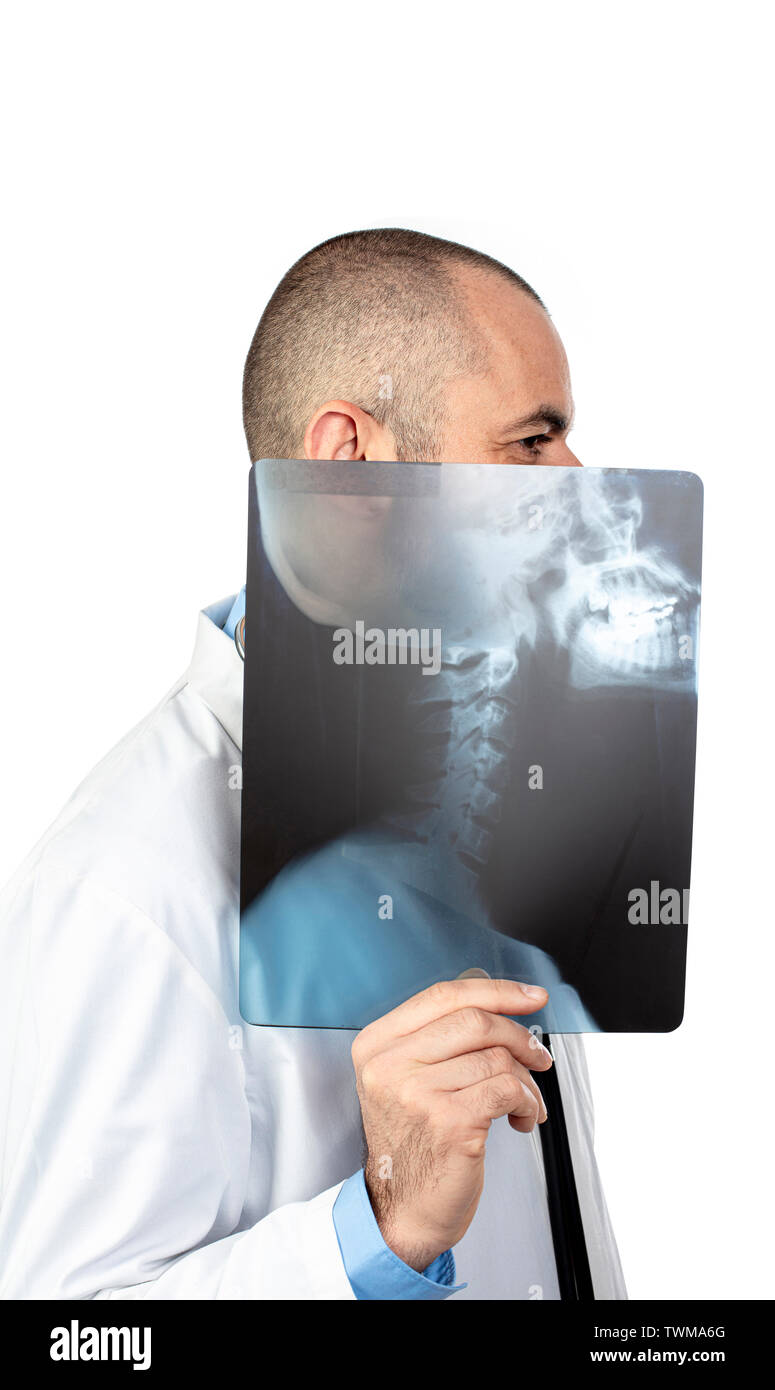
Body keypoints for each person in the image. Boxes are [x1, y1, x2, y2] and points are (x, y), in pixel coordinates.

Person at [0, 229, 625, 1299]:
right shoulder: (130, 879)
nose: (585, 485)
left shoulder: (494, 781)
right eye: (531, 442)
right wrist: (377, 1229)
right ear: (350, 461)